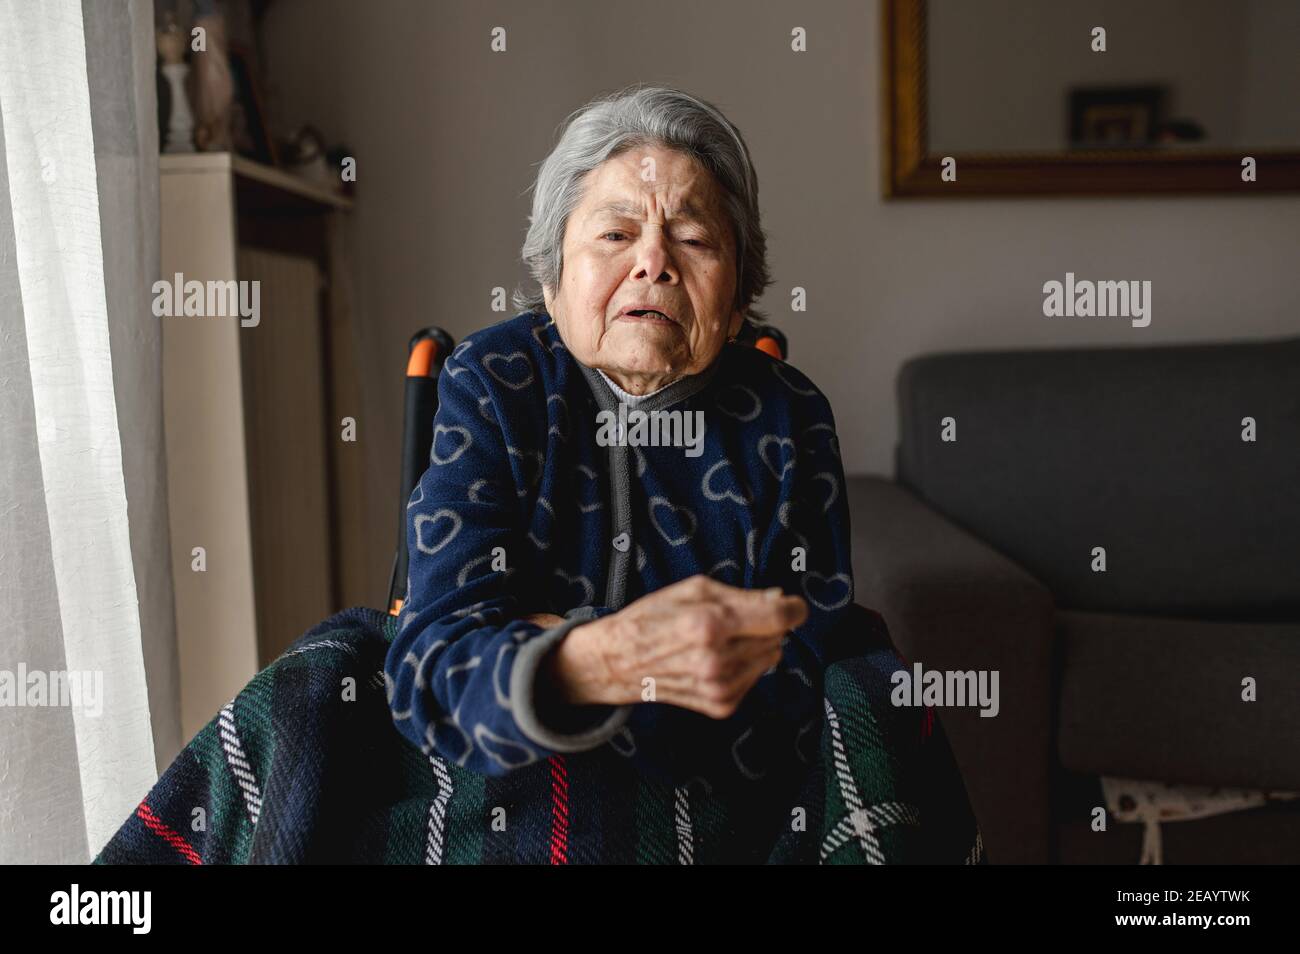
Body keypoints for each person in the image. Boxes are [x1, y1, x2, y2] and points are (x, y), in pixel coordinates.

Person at [386, 83, 855, 801]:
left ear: (736, 303)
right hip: (503, 788)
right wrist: (618, 654)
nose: (653, 263)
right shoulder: (493, 383)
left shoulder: (790, 417)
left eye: (694, 240)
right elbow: (435, 664)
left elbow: (796, 687)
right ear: (551, 280)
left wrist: (550, 642)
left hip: (709, 803)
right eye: (614, 234)